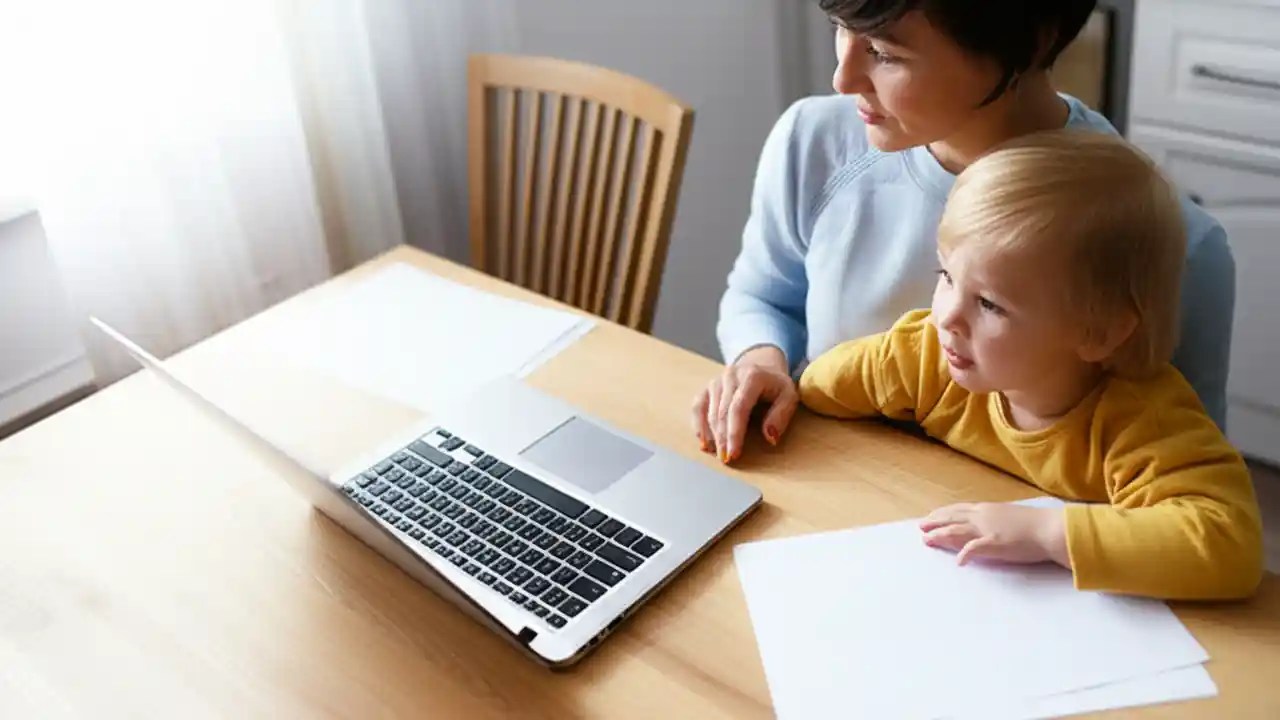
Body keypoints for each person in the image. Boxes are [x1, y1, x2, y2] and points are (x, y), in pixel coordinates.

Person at [692, 0, 1234, 464]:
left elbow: (1183, 479)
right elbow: (763, 293)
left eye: (884, 53)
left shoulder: (1169, 247)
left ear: (1029, 44)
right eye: (839, 25)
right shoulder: (814, 140)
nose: (844, 77)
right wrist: (761, 362)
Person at [796, 131, 1262, 600]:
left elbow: (1231, 544)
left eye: (990, 304)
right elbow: (816, 389)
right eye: (946, 276)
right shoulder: (926, 357)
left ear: (1098, 333)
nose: (946, 316)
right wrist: (773, 381)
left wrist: (1046, 534)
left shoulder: (1142, 421)